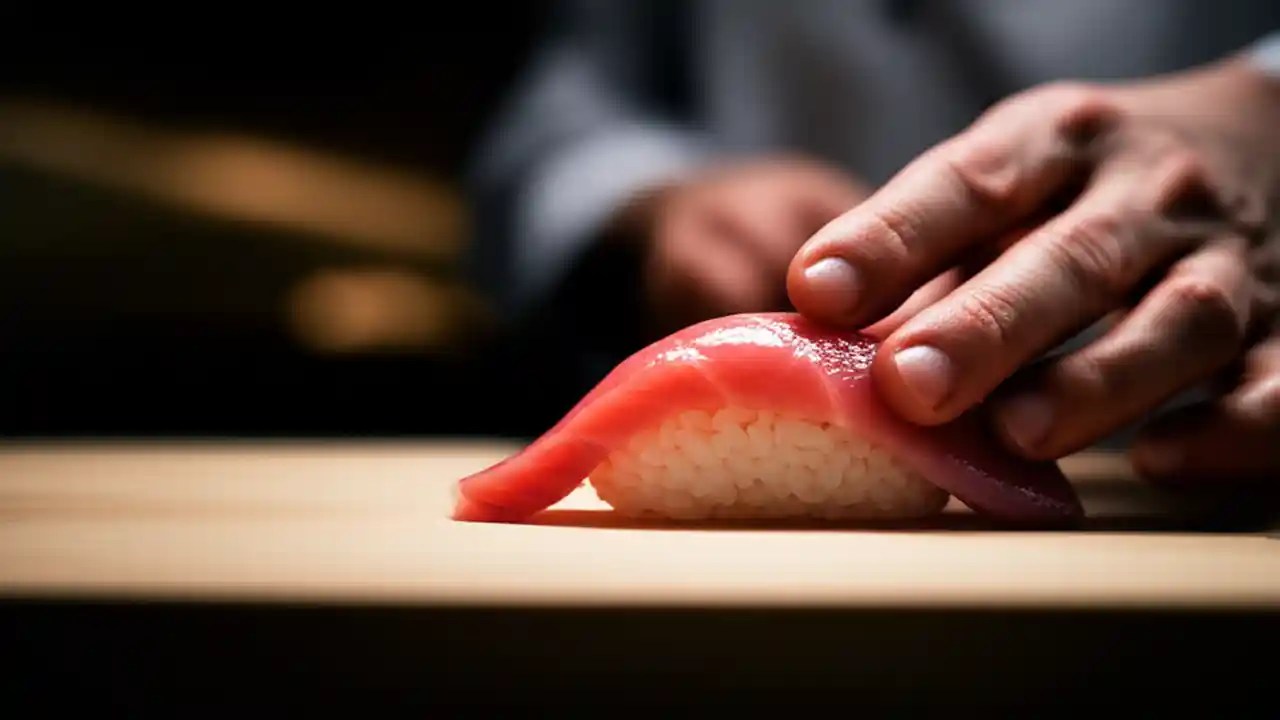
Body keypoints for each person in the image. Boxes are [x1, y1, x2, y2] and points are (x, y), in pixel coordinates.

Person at [464, 0, 1280, 485]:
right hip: (753, 438)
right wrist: (656, 199)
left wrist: (1265, 105)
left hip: (1192, 441)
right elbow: (565, 106)